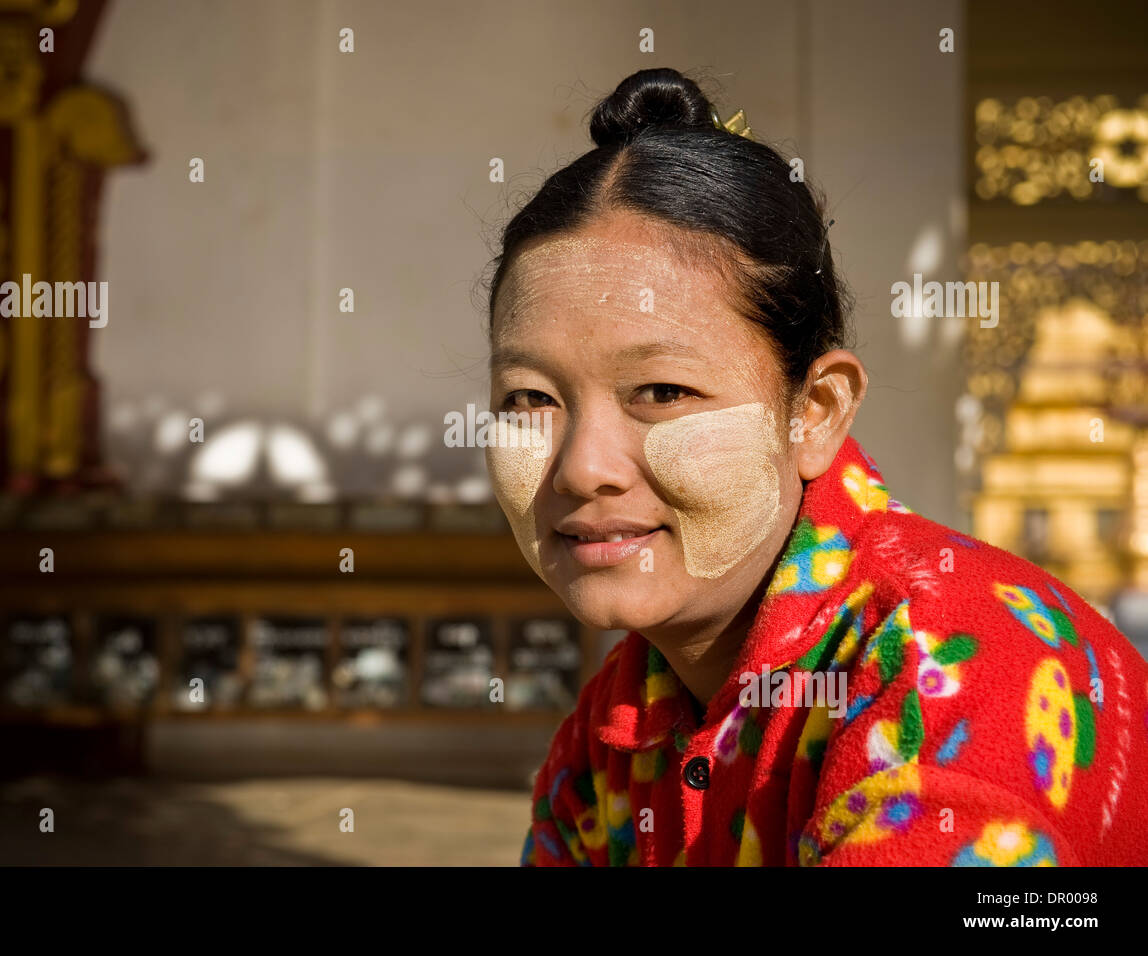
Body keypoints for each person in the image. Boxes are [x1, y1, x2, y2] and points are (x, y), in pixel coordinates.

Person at [483, 67, 1148, 866]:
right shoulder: (603, 749)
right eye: (528, 399)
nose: (582, 468)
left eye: (662, 391)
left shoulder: (965, 665)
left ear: (816, 412)